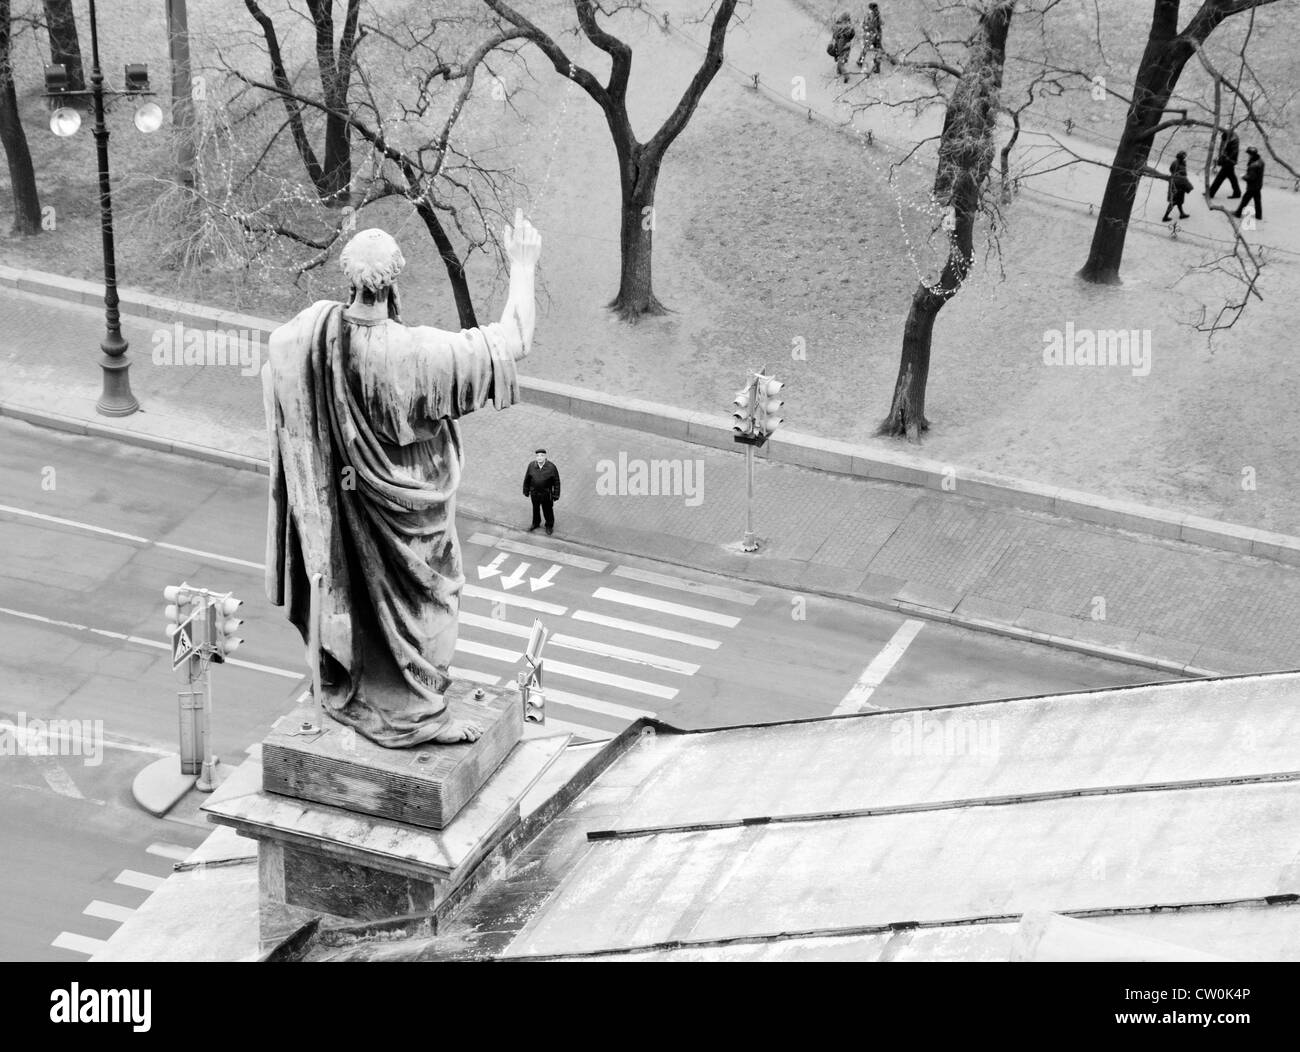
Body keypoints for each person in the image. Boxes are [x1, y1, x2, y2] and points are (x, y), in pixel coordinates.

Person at [262, 214, 541, 748]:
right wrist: (523, 265)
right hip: (416, 526)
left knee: (362, 600)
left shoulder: (309, 337)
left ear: (350, 281)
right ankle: (421, 714)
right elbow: (516, 339)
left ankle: (363, 690)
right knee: (428, 608)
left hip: (348, 512)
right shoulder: (421, 353)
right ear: (394, 285)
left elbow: (279, 355)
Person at [523, 449, 560, 535]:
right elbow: (527, 479)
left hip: (546, 494)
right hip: (534, 493)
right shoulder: (531, 465)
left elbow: (556, 482)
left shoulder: (551, 467)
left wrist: (556, 494)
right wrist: (526, 490)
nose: (539, 458)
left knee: (547, 510)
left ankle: (549, 525)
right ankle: (535, 523)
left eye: (542, 455)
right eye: (538, 456)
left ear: (545, 457)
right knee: (535, 509)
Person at [1207, 127, 1241, 199]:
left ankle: (1211, 193)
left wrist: (1226, 158)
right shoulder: (1227, 136)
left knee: (1220, 177)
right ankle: (1237, 192)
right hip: (1227, 161)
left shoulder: (1234, 140)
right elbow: (1223, 148)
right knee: (1232, 177)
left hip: (1229, 162)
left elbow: (1234, 153)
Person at [1235, 146, 1264, 221]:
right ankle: (1258, 215)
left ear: (1251, 155)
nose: (1248, 156)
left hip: (1252, 187)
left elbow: (1251, 178)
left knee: (1245, 200)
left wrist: (1243, 176)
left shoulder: (1253, 166)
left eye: (1249, 154)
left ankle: (1238, 213)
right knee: (1257, 201)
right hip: (1258, 185)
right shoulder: (1261, 161)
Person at [1161, 151, 1192, 221]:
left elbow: (1171, 170)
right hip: (1178, 185)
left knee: (1179, 201)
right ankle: (1165, 217)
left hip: (1176, 183)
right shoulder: (1180, 164)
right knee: (1174, 201)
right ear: (1181, 157)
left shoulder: (1175, 162)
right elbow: (1183, 173)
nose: (1185, 158)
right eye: (1184, 157)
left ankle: (1182, 214)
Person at [828, 11, 855, 82]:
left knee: (841, 64)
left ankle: (847, 76)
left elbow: (851, 33)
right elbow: (835, 32)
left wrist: (844, 32)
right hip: (839, 49)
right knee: (839, 65)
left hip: (845, 50)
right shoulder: (839, 29)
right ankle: (839, 71)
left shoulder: (849, 29)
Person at [858, 3, 883, 75]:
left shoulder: (873, 14)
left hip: (872, 34)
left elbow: (867, 24)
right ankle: (876, 67)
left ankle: (862, 61)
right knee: (876, 49)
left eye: (876, 8)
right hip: (874, 34)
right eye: (875, 8)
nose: (876, 9)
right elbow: (878, 23)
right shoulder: (873, 14)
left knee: (871, 48)